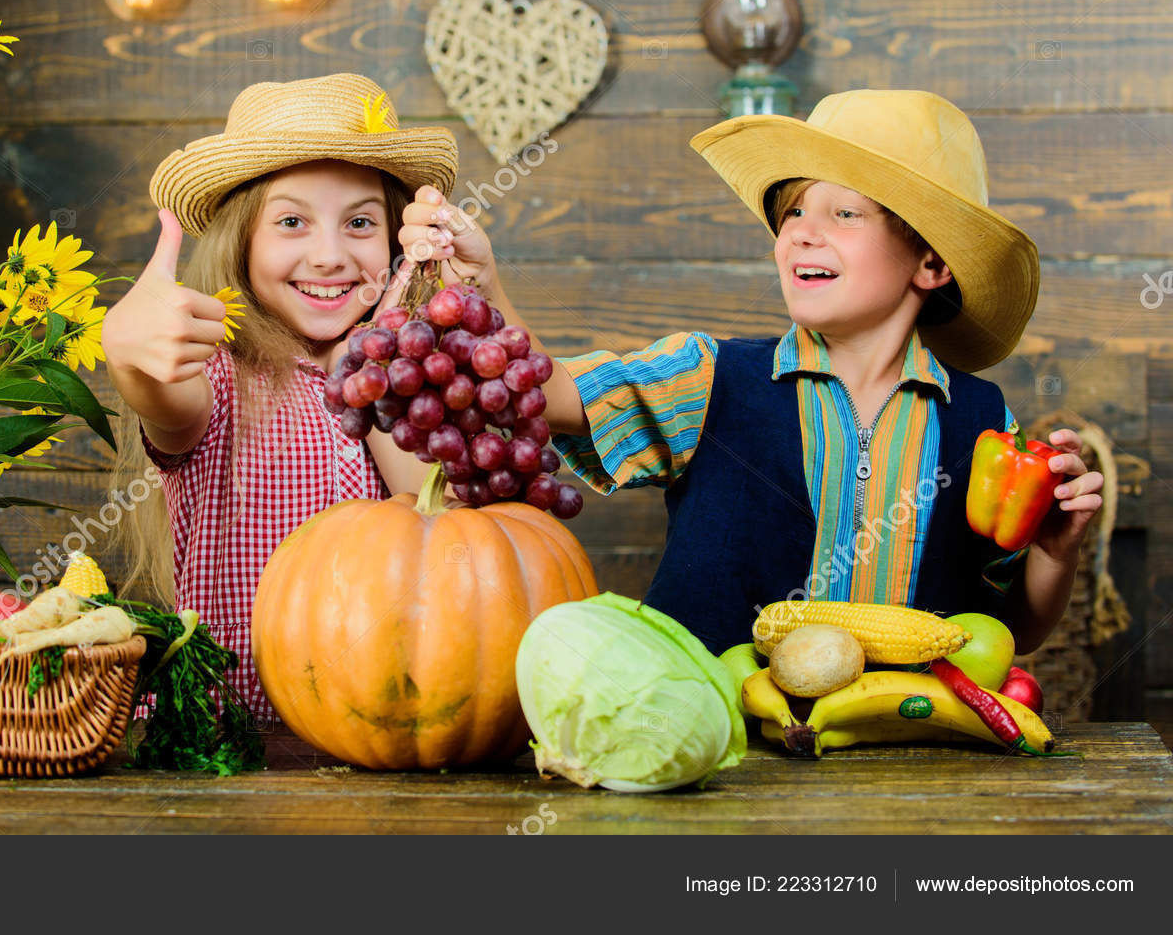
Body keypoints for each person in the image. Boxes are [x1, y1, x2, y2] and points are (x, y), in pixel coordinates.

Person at [394, 89, 1104, 656]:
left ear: (931, 264)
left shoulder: (986, 427)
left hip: (903, 774)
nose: (800, 229)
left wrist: (1055, 556)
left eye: (844, 212)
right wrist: (486, 287)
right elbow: (549, 393)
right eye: (794, 210)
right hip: (714, 765)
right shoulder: (707, 377)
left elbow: (1012, 633)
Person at [99, 74, 454, 719]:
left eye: (360, 223)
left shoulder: (413, 382)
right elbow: (167, 403)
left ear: (397, 240)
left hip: (374, 737)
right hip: (229, 741)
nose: (328, 254)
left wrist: (380, 353)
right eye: (291, 221)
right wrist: (127, 350)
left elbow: (431, 517)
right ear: (244, 240)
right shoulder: (218, 376)